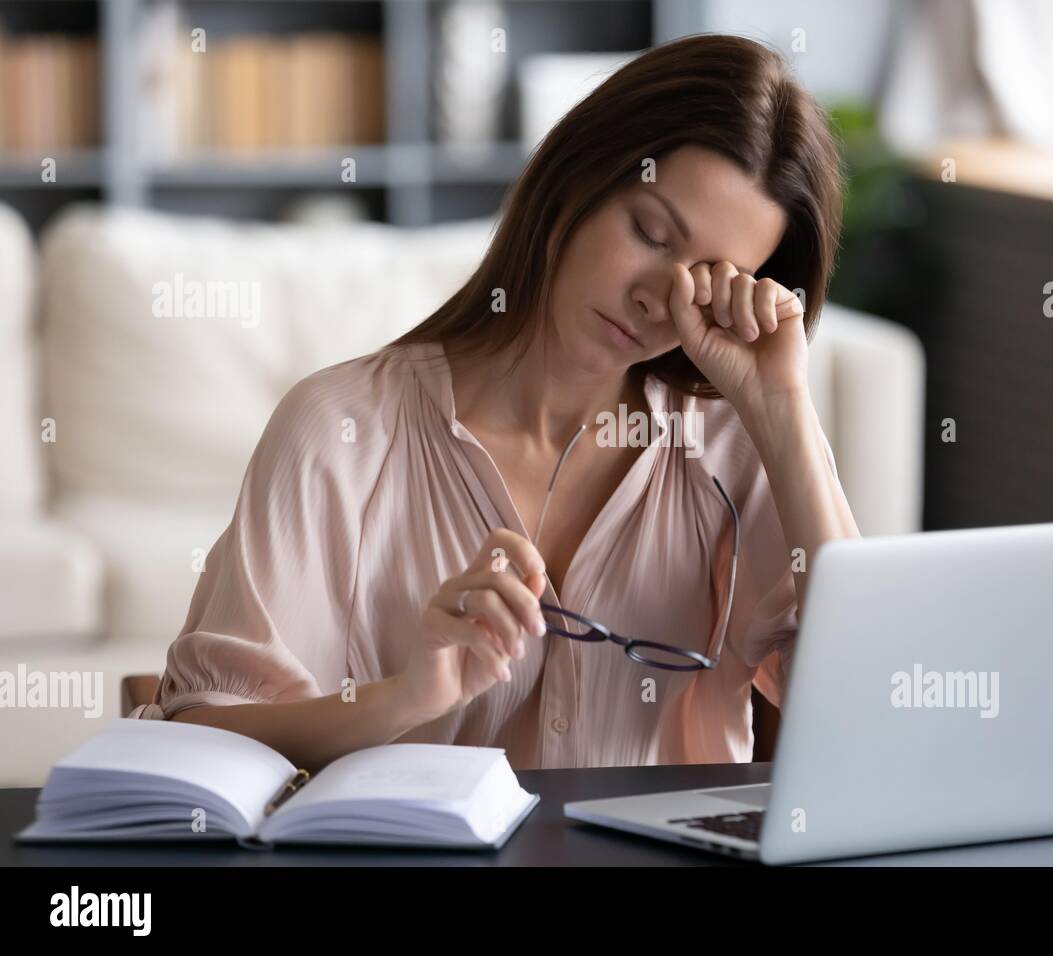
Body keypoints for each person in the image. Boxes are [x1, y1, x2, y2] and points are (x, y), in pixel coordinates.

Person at [131, 34, 860, 772]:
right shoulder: (340, 431)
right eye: (648, 231)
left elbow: (866, 715)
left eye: (709, 278)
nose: (658, 296)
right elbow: (200, 742)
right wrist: (409, 696)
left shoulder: (741, 441)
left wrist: (783, 410)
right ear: (575, 179)